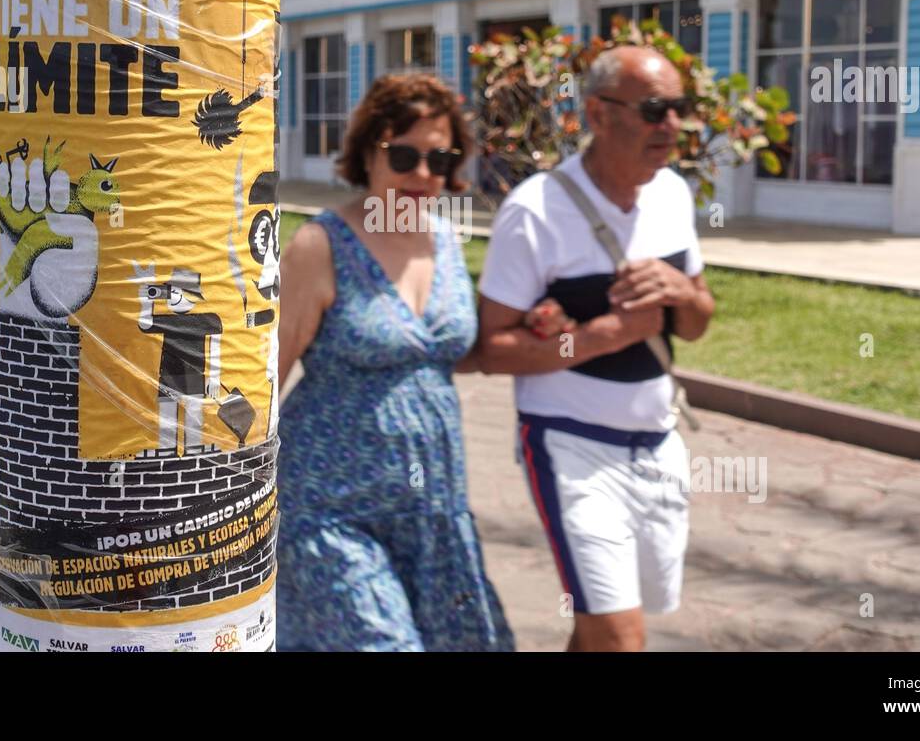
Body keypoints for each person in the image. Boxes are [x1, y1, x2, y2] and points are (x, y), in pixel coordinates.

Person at [476, 45, 716, 652]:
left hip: (657, 446)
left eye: (679, 109)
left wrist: (682, 294)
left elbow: (695, 324)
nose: (672, 126)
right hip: (569, 445)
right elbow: (492, 348)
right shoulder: (534, 211)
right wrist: (602, 335)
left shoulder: (673, 196)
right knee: (618, 635)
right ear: (598, 114)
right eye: (655, 110)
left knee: (599, 628)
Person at [275, 73, 514, 652]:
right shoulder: (320, 245)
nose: (423, 175)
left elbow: (452, 351)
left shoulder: (447, 241)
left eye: (441, 159)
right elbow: (267, 378)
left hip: (432, 513)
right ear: (369, 152)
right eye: (405, 155)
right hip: (329, 508)